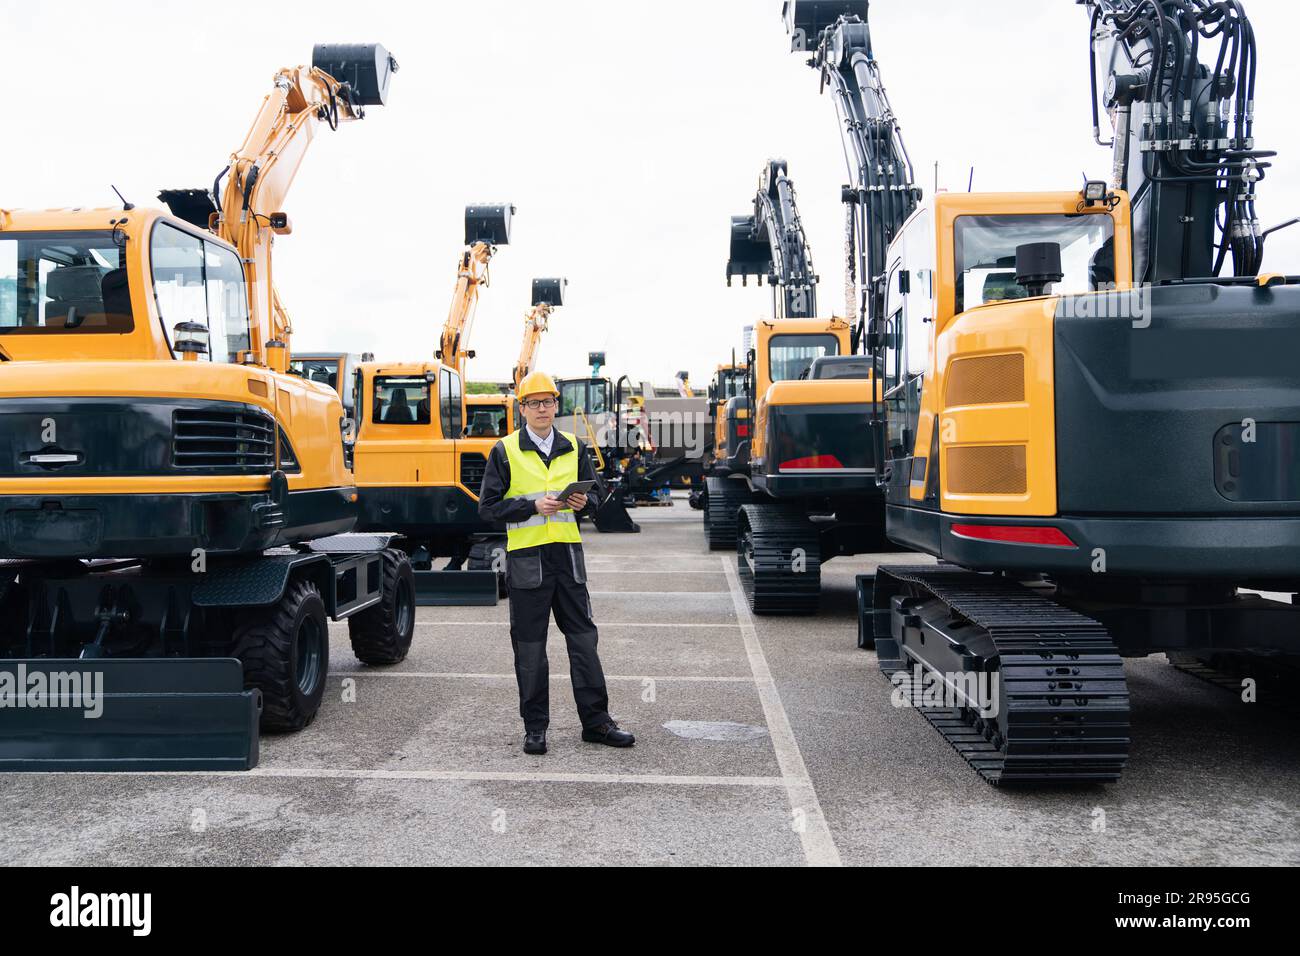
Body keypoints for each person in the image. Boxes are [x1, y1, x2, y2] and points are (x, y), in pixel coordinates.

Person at [477, 372, 635, 755]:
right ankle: (535, 728)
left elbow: (596, 497)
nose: (542, 409)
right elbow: (487, 509)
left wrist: (586, 503)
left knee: (584, 642)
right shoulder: (505, 450)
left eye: (547, 402)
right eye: (534, 403)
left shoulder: (574, 447)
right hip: (527, 562)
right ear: (522, 409)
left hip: (567, 558)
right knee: (530, 649)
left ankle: (597, 723)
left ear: (555, 405)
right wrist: (531, 505)